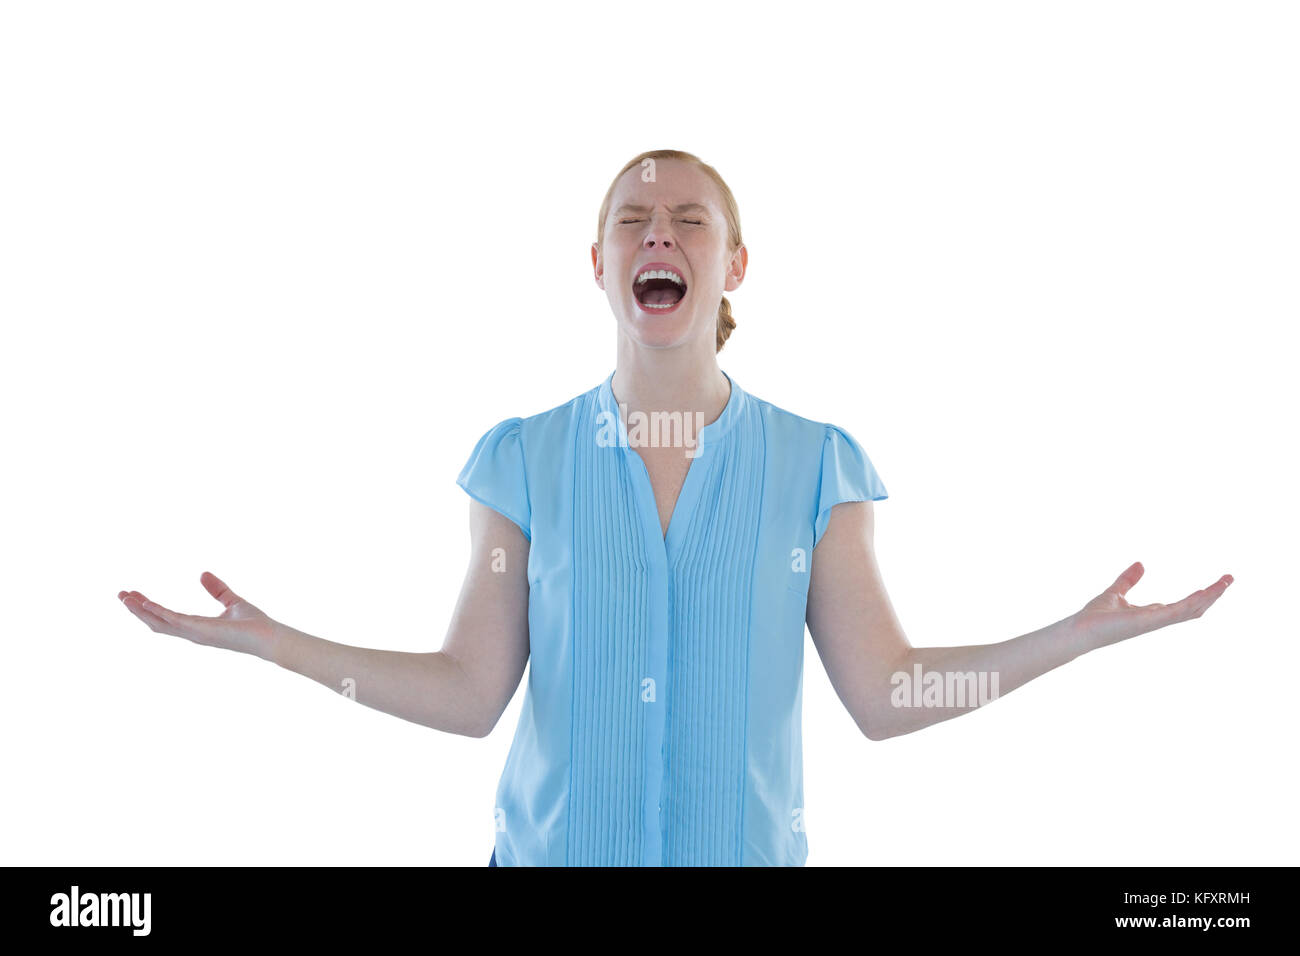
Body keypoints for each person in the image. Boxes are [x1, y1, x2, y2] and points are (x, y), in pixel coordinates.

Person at [118, 149, 1233, 867]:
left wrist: (1074, 636)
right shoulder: (522, 462)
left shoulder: (813, 466)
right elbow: (468, 693)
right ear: (596, 263)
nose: (659, 233)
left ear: (734, 263)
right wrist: (277, 645)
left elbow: (888, 695)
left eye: (690, 219)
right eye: (632, 218)